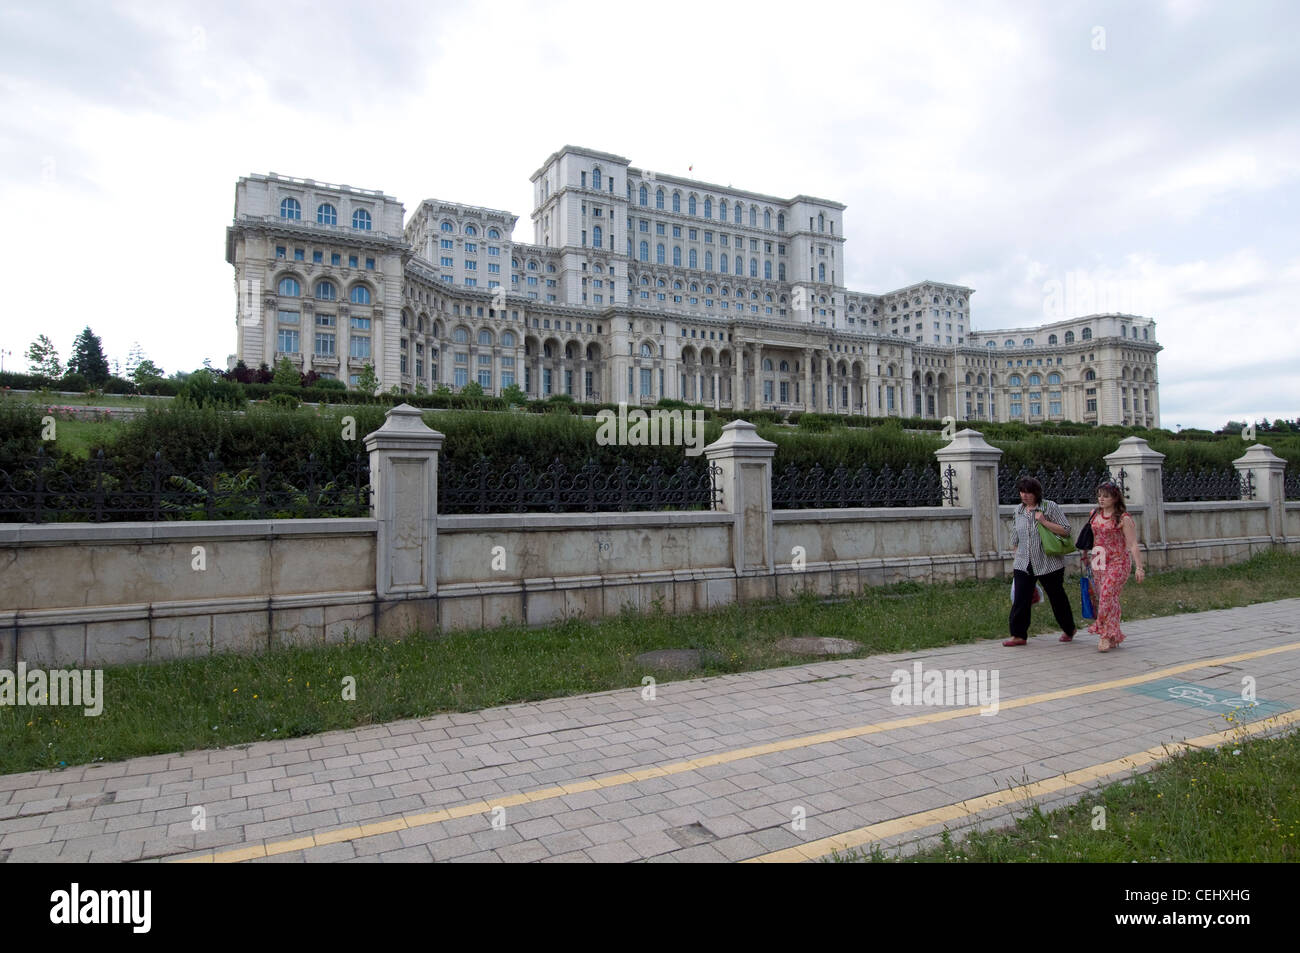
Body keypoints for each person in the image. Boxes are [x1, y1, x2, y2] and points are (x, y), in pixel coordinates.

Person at [1004, 476, 1078, 647]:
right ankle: (1018, 635)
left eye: (1028, 492)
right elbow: (1015, 533)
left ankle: (1069, 628)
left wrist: (1044, 521)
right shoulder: (1018, 510)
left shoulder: (1049, 507)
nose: (1024, 495)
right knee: (1020, 598)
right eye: (1022, 492)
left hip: (1048, 562)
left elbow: (1066, 530)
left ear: (1036, 493)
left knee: (1056, 597)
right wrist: (1016, 552)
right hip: (1024, 562)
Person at [1086, 482, 1145, 652]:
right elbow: (1092, 537)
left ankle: (1104, 634)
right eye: (1099, 495)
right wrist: (1086, 556)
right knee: (1109, 598)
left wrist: (1139, 567)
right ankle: (1114, 634)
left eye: (1106, 496)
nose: (1101, 499)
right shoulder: (1094, 514)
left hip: (1118, 561)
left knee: (1106, 595)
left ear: (1115, 498)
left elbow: (1132, 544)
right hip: (1098, 560)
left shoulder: (1123, 518)